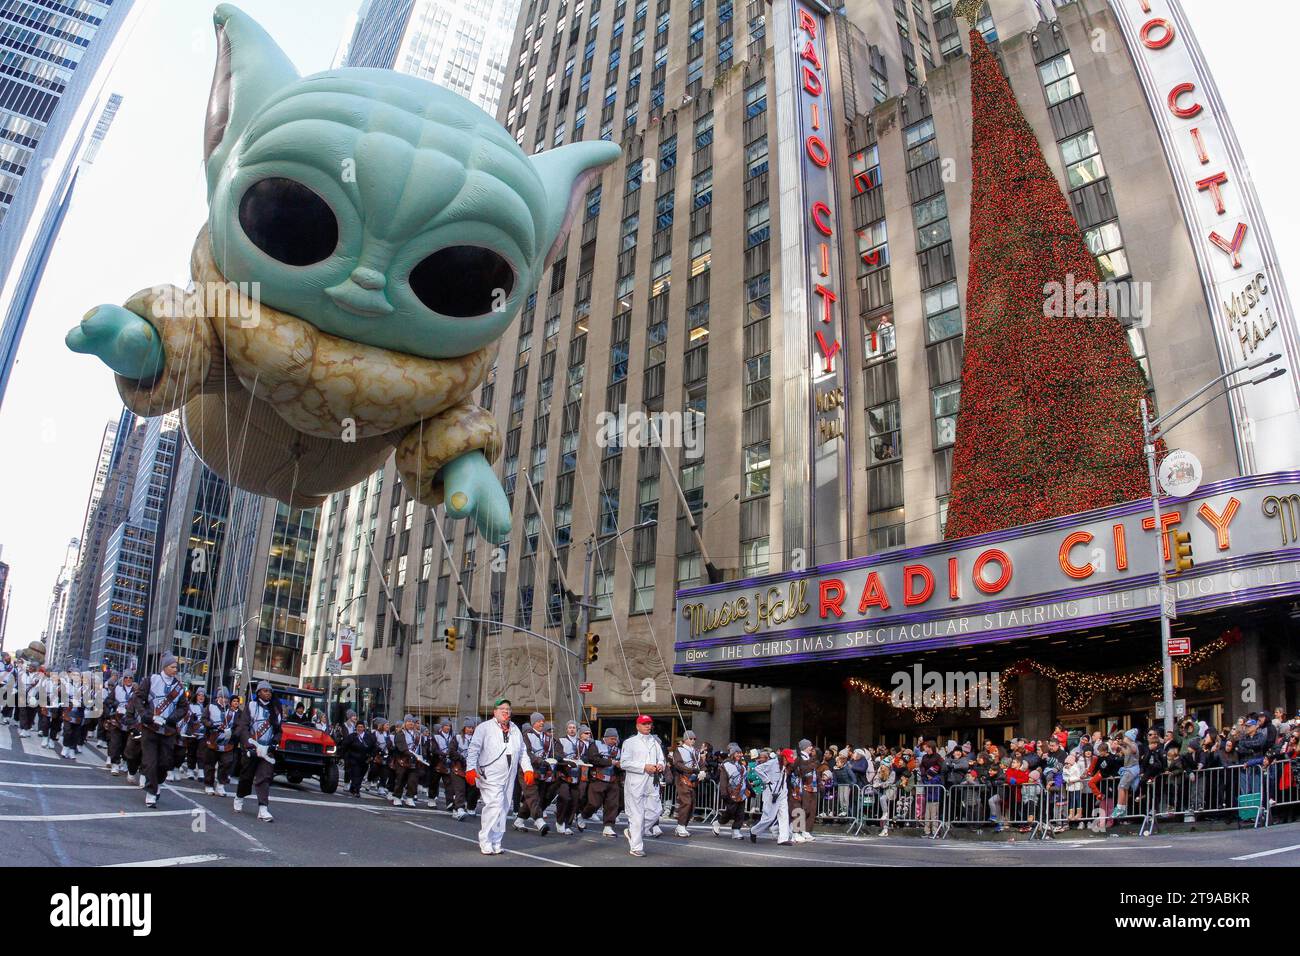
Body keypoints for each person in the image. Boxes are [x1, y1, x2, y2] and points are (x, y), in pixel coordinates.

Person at [465, 698, 533, 855]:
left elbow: (522, 751)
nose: (506, 711)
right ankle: (485, 840)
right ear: (494, 711)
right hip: (490, 773)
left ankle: (496, 841)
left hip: (509, 774)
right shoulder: (484, 728)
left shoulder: (515, 729)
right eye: (502, 708)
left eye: (508, 709)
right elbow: (473, 749)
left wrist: (528, 769)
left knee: (503, 809)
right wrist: (470, 769)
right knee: (494, 806)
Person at [134, 654, 185, 808]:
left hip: (168, 731)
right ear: (164, 667)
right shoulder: (151, 680)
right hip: (150, 728)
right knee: (150, 762)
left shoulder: (179, 687)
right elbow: (138, 699)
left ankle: (158, 783)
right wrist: (148, 716)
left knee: (164, 763)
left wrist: (171, 719)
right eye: (173, 667)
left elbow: (183, 707)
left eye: (176, 667)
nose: (175, 669)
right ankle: (151, 792)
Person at [233, 680, 282, 822]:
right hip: (252, 748)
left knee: (265, 777)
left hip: (267, 750)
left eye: (270, 691)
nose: (268, 693)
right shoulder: (251, 706)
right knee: (246, 776)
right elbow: (243, 727)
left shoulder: (276, 710)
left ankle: (263, 808)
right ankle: (239, 797)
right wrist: (249, 745)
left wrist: (273, 744)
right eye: (265, 691)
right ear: (259, 692)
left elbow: (279, 731)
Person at [620, 714, 665, 858]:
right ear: (637, 726)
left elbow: (662, 760)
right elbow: (624, 763)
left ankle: (634, 833)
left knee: (656, 811)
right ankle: (636, 847)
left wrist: (660, 766)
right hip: (636, 782)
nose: (647, 726)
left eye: (649, 724)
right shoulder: (630, 742)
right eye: (644, 724)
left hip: (652, 782)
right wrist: (643, 766)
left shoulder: (655, 742)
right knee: (637, 816)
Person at [515, 712, 555, 834]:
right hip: (528, 771)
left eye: (542, 721)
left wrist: (558, 759)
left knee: (534, 798)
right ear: (533, 723)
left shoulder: (548, 738)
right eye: (538, 721)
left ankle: (519, 820)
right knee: (533, 795)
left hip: (542, 772)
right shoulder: (526, 736)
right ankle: (539, 820)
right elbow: (526, 753)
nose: (541, 723)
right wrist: (539, 761)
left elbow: (553, 753)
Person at [582, 726, 622, 836]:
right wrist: (611, 762)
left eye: (616, 739)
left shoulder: (618, 750)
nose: (615, 741)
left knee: (612, 804)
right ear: (606, 738)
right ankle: (583, 815)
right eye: (612, 739)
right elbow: (593, 759)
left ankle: (608, 826)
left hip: (613, 780)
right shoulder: (595, 745)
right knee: (594, 803)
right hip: (598, 779)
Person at [750, 749, 793, 845]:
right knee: (769, 817)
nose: (788, 761)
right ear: (783, 757)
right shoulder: (772, 763)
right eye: (787, 759)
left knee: (784, 815)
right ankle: (754, 831)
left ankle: (783, 838)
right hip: (771, 793)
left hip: (782, 792)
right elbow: (758, 769)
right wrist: (767, 780)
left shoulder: (785, 766)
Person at [203, 687, 239, 797]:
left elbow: (237, 725)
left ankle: (220, 784)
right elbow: (203, 719)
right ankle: (209, 785)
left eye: (227, 698)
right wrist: (211, 725)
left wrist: (232, 732)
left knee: (226, 763)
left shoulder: (232, 711)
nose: (225, 700)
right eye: (223, 697)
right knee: (210, 764)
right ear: (218, 697)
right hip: (213, 739)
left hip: (226, 742)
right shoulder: (211, 707)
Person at [554, 720, 588, 834]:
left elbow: (586, 757)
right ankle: (560, 822)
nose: (572, 729)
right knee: (564, 798)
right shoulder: (561, 741)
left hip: (576, 776)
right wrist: (568, 761)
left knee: (574, 801)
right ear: (566, 729)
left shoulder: (581, 743)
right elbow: (558, 756)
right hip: (564, 775)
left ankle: (568, 824)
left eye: (574, 727)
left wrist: (582, 760)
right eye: (570, 727)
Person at [713, 743, 749, 840]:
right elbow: (723, 779)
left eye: (740, 752)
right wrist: (723, 793)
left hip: (741, 793)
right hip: (730, 792)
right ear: (732, 754)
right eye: (737, 752)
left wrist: (750, 790)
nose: (739, 754)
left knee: (740, 813)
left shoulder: (742, 765)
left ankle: (736, 831)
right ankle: (719, 822)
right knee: (731, 811)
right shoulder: (726, 764)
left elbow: (745, 779)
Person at [670, 729, 702, 837]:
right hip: (682, 779)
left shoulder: (696, 751)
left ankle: (683, 825)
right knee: (686, 802)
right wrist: (691, 770)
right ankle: (680, 825)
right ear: (685, 739)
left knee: (692, 803)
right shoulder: (679, 750)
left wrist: (703, 772)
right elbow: (678, 764)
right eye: (690, 738)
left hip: (694, 780)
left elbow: (702, 764)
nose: (693, 740)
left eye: (694, 739)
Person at [101, 673, 133, 775]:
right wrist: (115, 704)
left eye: (130, 677)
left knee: (127, 745)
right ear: (123, 679)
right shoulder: (117, 689)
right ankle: (115, 764)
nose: (128, 679)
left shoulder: (136, 691)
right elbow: (107, 701)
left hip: (129, 722)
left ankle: (124, 762)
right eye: (126, 677)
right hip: (117, 720)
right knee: (115, 743)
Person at [790, 738, 819, 843]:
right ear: (805, 747)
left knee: (811, 810)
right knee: (801, 809)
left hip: (813, 787)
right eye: (810, 746)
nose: (811, 748)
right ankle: (795, 832)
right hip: (803, 787)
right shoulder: (799, 758)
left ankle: (806, 831)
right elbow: (801, 770)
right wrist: (811, 764)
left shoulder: (810, 758)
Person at [390, 714, 423, 807]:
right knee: (400, 779)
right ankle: (397, 797)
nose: (411, 723)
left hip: (415, 761)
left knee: (413, 780)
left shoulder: (418, 734)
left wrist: (421, 756)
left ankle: (410, 797)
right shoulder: (400, 734)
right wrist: (412, 754)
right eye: (409, 721)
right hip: (403, 760)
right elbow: (402, 747)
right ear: (405, 723)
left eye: (412, 722)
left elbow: (421, 747)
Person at [343, 716, 375, 798]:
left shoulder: (369, 737)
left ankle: (353, 787)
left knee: (361, 775)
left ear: (364, 728)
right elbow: (345, 746)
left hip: (364, 759)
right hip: (354, 758)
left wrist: (371, 756)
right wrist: (345, 756)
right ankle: (356, 790)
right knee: (355, 774)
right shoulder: (352, 736)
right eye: (358, 727)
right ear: (356, 727)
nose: (360, 728)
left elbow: (373, 747)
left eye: (361, 727)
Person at [427, 717, 454, 809]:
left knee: (449, 783)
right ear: (442, 727)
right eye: (446, 725)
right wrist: (443, 754)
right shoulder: (435, 737)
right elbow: (433, 749)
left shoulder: (453, 737)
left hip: (448, 763)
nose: (448, 728)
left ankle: (449, 802)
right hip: (437, 762)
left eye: (449, 726)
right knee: (434, 781)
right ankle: (431, 799)